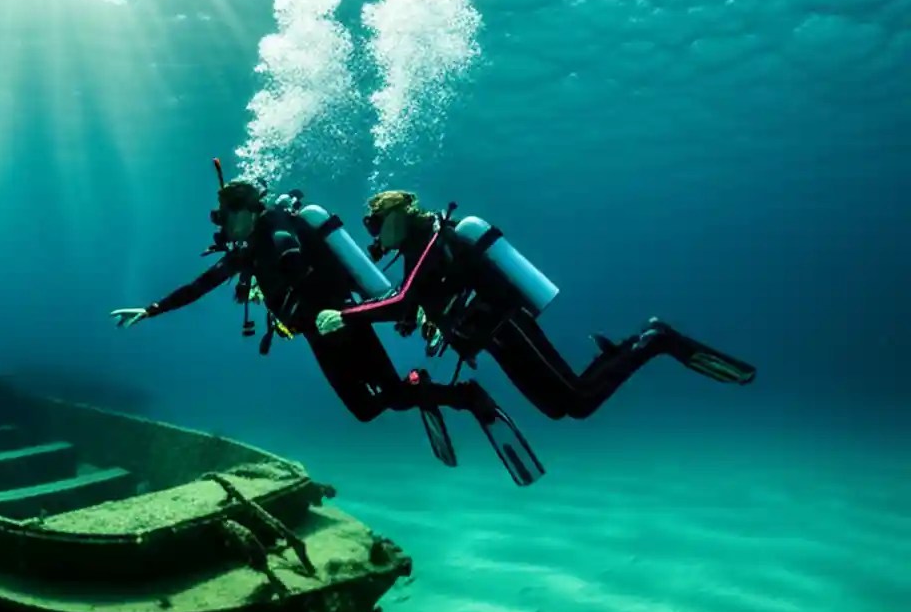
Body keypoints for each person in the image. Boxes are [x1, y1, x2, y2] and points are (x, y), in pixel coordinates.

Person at [110, 164, 544, 485]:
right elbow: (202, 283)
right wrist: (151, 309)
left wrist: (293, 274)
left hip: (343, 324)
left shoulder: (277, 230)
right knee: (367, 410)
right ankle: (418, 384)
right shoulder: (248, 247)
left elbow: (290, 256)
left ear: (243, 211)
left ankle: (468, 396)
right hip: (318, 334)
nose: (222, 225)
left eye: (224, 216)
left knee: (389, 397)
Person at [316, 190, 756, 422]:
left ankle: (653, 340)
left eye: (374, 222)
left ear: (396, 215)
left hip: (508, 328)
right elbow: (415, 303)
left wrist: (346, 315)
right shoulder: (419, 250)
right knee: (558, 408)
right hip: (494, 340)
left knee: (578, 403)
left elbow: (405, 299)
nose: (373, 232)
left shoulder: (432, 239)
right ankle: (618, 354)